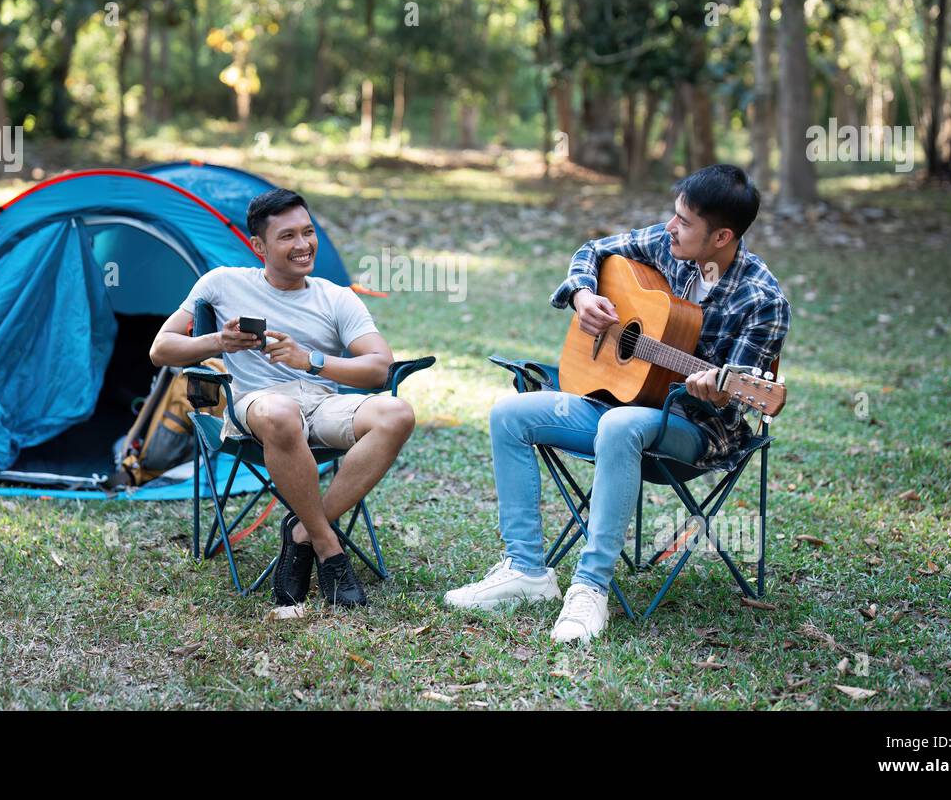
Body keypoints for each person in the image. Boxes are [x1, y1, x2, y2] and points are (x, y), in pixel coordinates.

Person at [444, 164, 789, 642]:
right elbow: (593, 250)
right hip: (620, 403)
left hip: (695, 430)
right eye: (674, 215)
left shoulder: (762, 300)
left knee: (621, 425)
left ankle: (590, 588)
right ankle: (526, 572)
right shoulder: (671, 246)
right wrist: (584, 294)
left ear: (722, 236)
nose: (670, 227)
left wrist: (714, 386)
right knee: (510, 415)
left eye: (684, 222)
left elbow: (739, 399)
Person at [150, 188, 415, 608]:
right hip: (256, 403)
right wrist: (220, 340)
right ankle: (329, 550)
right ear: (259, 246)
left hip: (322, 401)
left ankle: (302, 533)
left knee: (396, 413)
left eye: (308, 233)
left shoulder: (335, 297)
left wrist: (309, 360)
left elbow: (379, 367)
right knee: (281, 412)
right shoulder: (221, 283)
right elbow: (160, 349)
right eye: (287, 236)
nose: (303, 245)